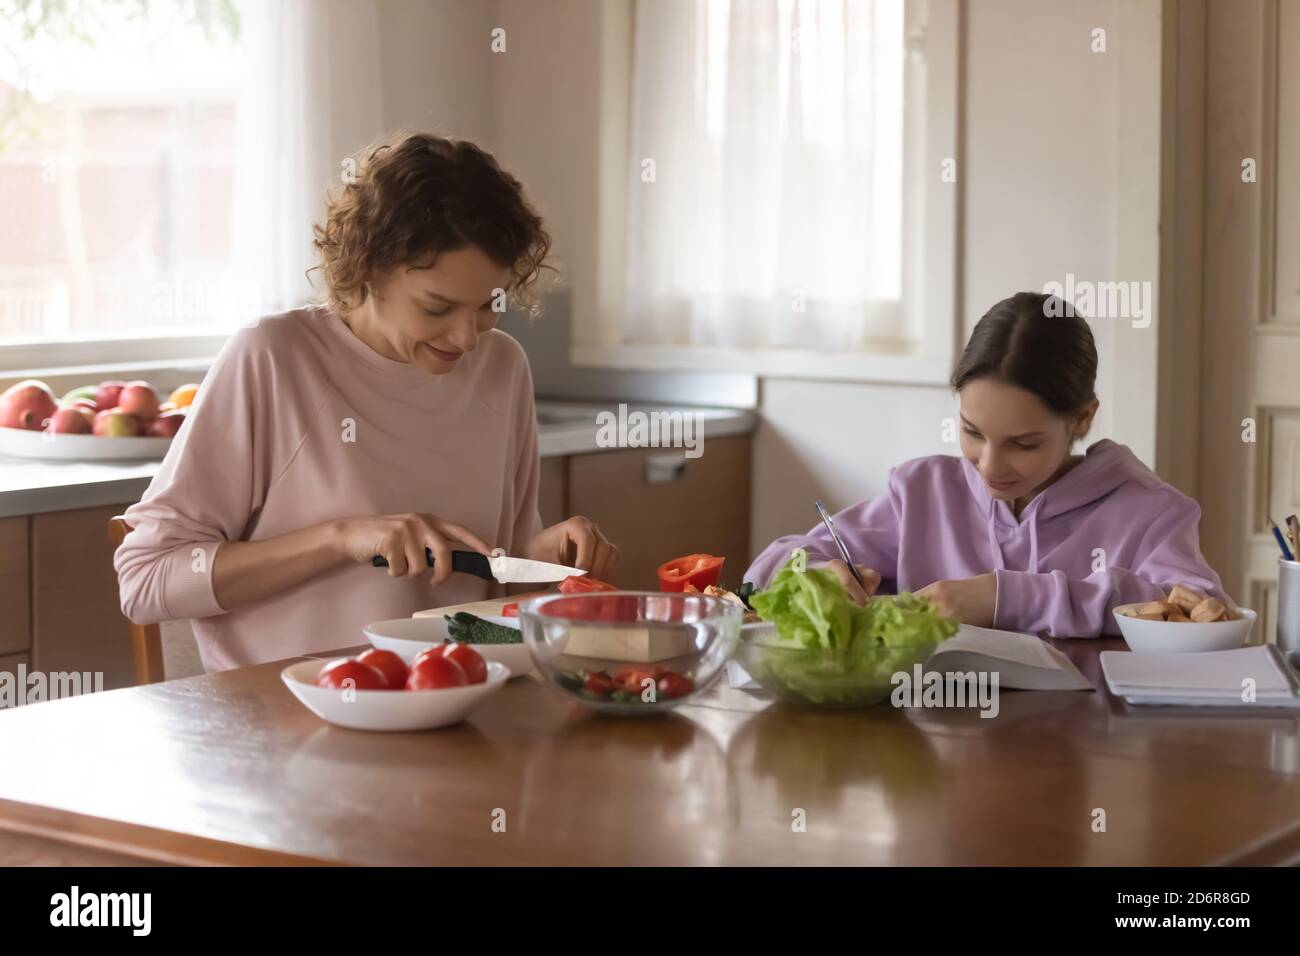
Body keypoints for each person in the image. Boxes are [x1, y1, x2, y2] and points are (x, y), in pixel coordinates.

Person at [115, 132, 619, 670]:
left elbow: (494, 571)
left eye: (488, 308)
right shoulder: (275, 359)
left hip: (457, 705)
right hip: (286, 725)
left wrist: (548, 558)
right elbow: (147, 580)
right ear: (369, 268)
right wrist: (341, 538)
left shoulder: (502, 367)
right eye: (437, 307)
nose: (467, 338)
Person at [744, 291, 1232, 636]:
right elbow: (769, 568)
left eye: (1023, 443)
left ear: (1083, 418)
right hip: (934, 751)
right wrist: (816, 575)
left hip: (1084, 757)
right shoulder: (921, 492)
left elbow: (1197, 609)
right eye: (973, 433)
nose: (989, 465)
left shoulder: (1150, 511)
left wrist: (1002, 597)